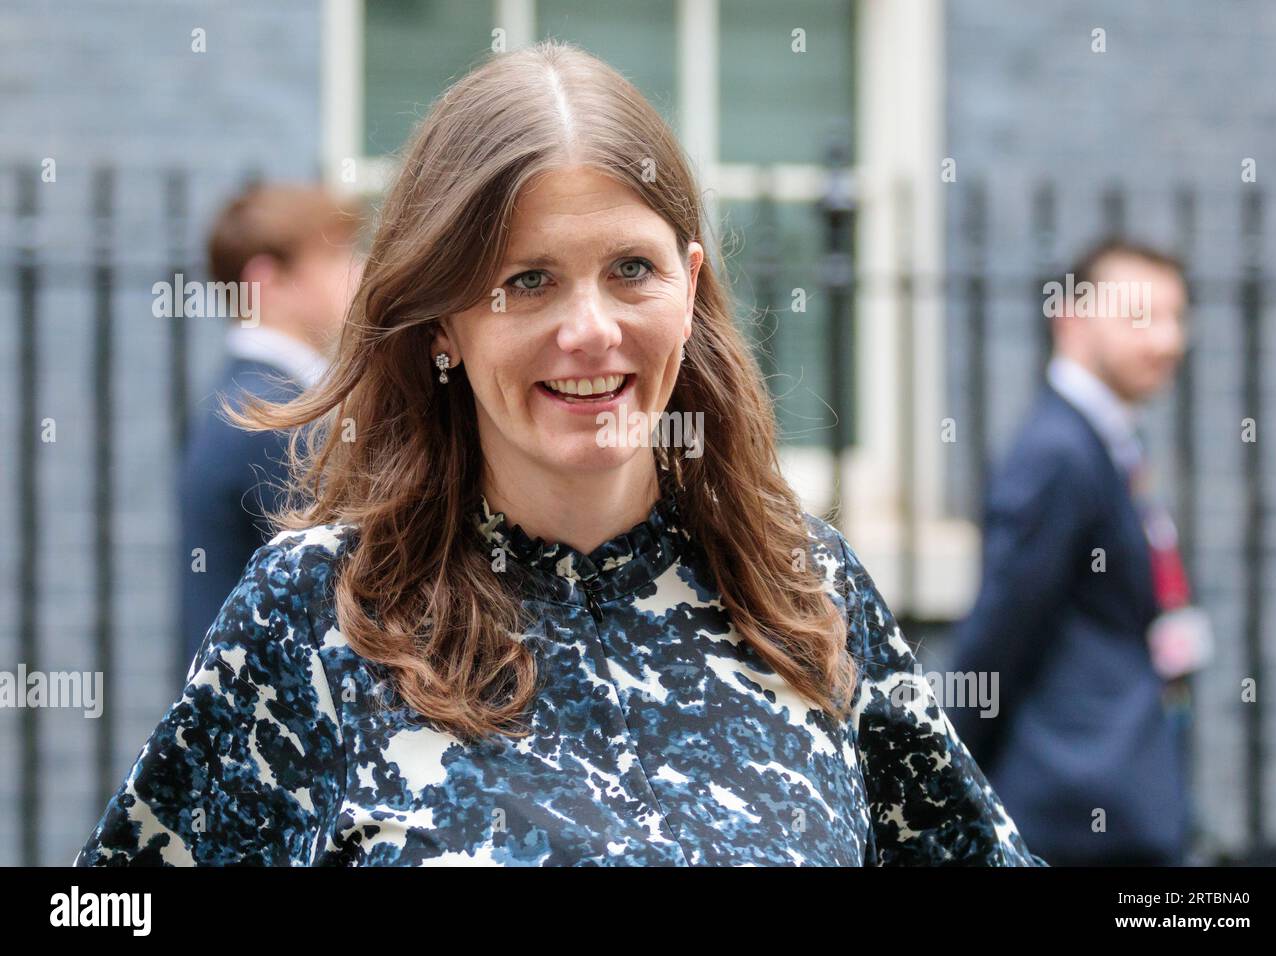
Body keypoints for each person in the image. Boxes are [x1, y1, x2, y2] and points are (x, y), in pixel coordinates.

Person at [76, 40, 1044, 867]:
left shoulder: (804, 585)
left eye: (631, 269)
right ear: (442, 322)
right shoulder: (317, 609)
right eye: (526, 281)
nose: (590, 331)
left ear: (690, 283)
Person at [947, 238, 1198, 866]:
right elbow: (1000, 631)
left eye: (1176, 317)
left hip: (1118, 795)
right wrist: (946, 781)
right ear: (1071, 319)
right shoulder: (1058, 452)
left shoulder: (1105, 443)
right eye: (1142, 316)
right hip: (1073, 809)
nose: (1167, 340)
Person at [178, 183, 362, 667]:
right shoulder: (273, 415)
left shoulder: (250, 396)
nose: (359, 273)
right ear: (269, 281)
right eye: (336, 258)